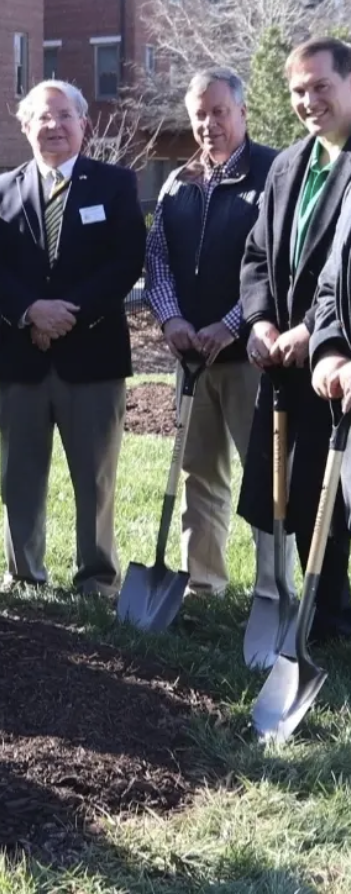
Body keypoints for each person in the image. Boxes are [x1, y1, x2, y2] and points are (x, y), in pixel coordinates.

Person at [0, 79, 145, 596]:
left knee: (95, 481)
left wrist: (67, 315)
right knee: (18, 477)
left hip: (92, 357)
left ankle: (97, 578)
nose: (53, 127)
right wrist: (30, 312)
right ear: (25, 128)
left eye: (63, 116)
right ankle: (23, 574)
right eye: (41, 118)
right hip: (22, 360)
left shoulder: (115, 185)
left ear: (84, 125)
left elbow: (125, 261)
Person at [145, 67, 291, 601]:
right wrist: (173, 320)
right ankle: (203, 584)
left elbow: (278, 268)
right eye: (199, 114)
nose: (209, 124)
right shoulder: (177, 182)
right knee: (199, 475)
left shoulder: (275, 172)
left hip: (252, 359)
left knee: (266, 479)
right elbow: (157, 259)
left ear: (243, 112)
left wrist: (229, 325)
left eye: (219, 111)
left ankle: (273, 588)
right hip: (193, 360)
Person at [240, 37, 351, 644]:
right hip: (286, 362)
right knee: (302, 496)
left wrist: (317, 331)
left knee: (338, 502)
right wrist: (260, 322)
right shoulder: (289, 165)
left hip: (337, 360)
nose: (309, 101)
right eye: (298, 91)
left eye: (321, 87)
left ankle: (328, 618)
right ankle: (313, 616)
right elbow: (257, 255)